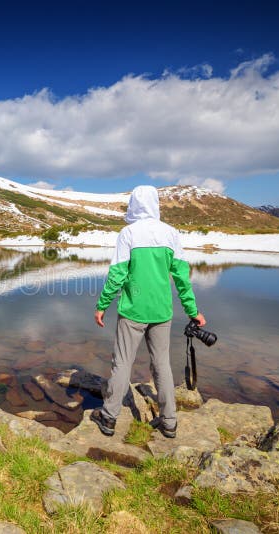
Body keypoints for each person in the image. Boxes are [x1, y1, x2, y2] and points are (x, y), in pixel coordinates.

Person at [91, 185, 206, 439]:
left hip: (132, 311)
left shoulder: (128, 233)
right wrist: (193, 311)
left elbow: (117, 275)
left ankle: (109, 418)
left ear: (133, 204)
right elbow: (182, 278)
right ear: (155, 204)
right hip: (162, 312)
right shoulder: (171, 234)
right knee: (161, 365)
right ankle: (169, 422)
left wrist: (102, 305)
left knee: (122, 363)